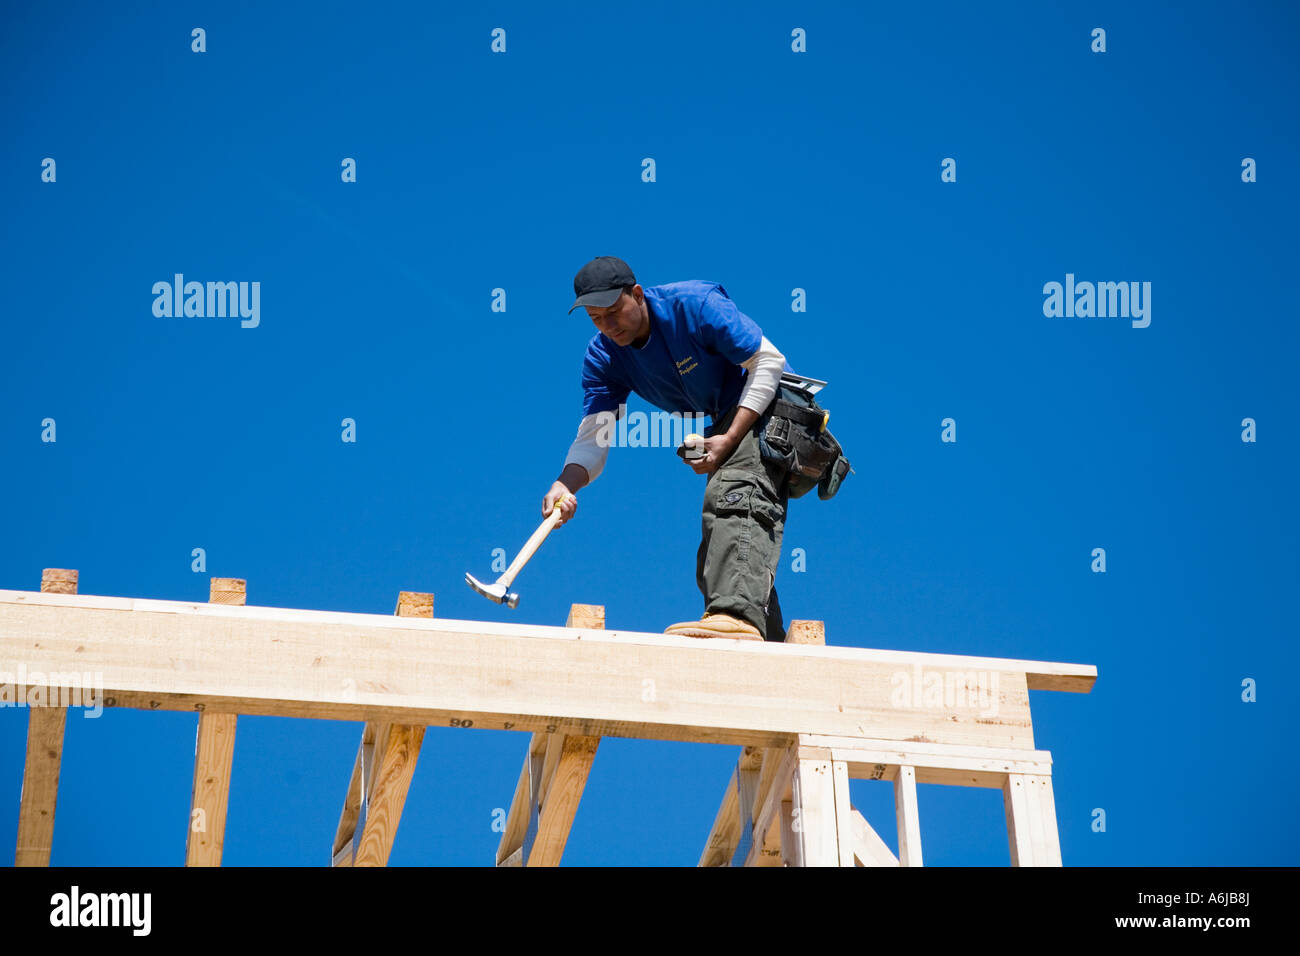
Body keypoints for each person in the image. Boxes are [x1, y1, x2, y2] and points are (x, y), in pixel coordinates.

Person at [542, 256, 793, 642]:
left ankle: (736, 618)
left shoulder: (694, 305)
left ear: (637, 294)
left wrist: (728, 439)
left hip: (769, 407)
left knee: (736, 499)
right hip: (723, 422)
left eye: (614, 312)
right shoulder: (604, 358)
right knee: (717, 539)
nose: (608, 327)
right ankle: (764, 640)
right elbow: (595, 436)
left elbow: (769, 362)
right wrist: (565, 485)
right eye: (596, 319)